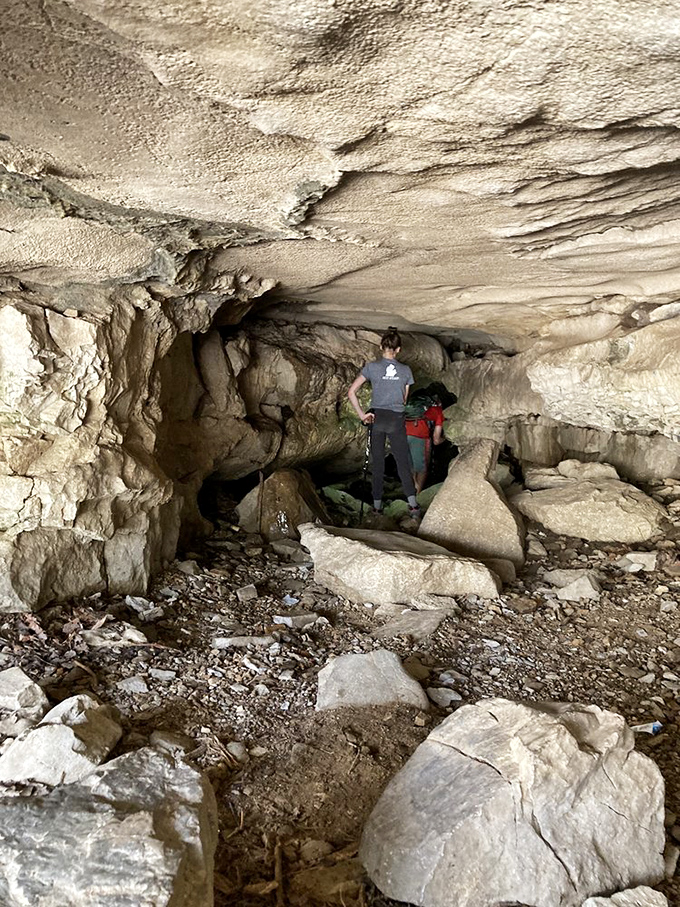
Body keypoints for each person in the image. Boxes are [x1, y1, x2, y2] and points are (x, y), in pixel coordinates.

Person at [347, 326, 420, 516]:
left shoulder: (372, 368)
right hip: (396, 420)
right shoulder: (405, 370)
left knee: (377, 464)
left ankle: (377, 507)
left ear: (381, 346)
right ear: (398, 350)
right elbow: (404, 399)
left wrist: (363, 415)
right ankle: (413, 506)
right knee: (402, 463)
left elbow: (351, 392)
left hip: (377, 419)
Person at [405, 397, 445, 493]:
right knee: (422, 468)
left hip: (401, 435)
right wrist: (446, 438)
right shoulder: (439, 411)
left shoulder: (409, 410)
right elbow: (436, 440)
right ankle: (417, 495)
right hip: (419, 436)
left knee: (410, 466)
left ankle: (411, 492)